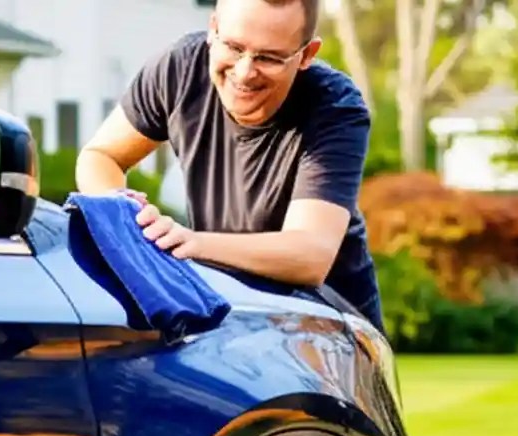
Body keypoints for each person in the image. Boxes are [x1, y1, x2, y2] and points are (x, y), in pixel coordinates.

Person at [75, 0, 383, 330]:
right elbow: (99, 156)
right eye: (234, 47)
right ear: (213, 29)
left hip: (327, 328)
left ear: (306, 55)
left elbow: (310, 253)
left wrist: (193, 243)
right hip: (229, 312)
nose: (245, 71)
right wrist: (123, 211)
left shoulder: (334, 106)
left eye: (269, 57)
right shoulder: (179, 70)